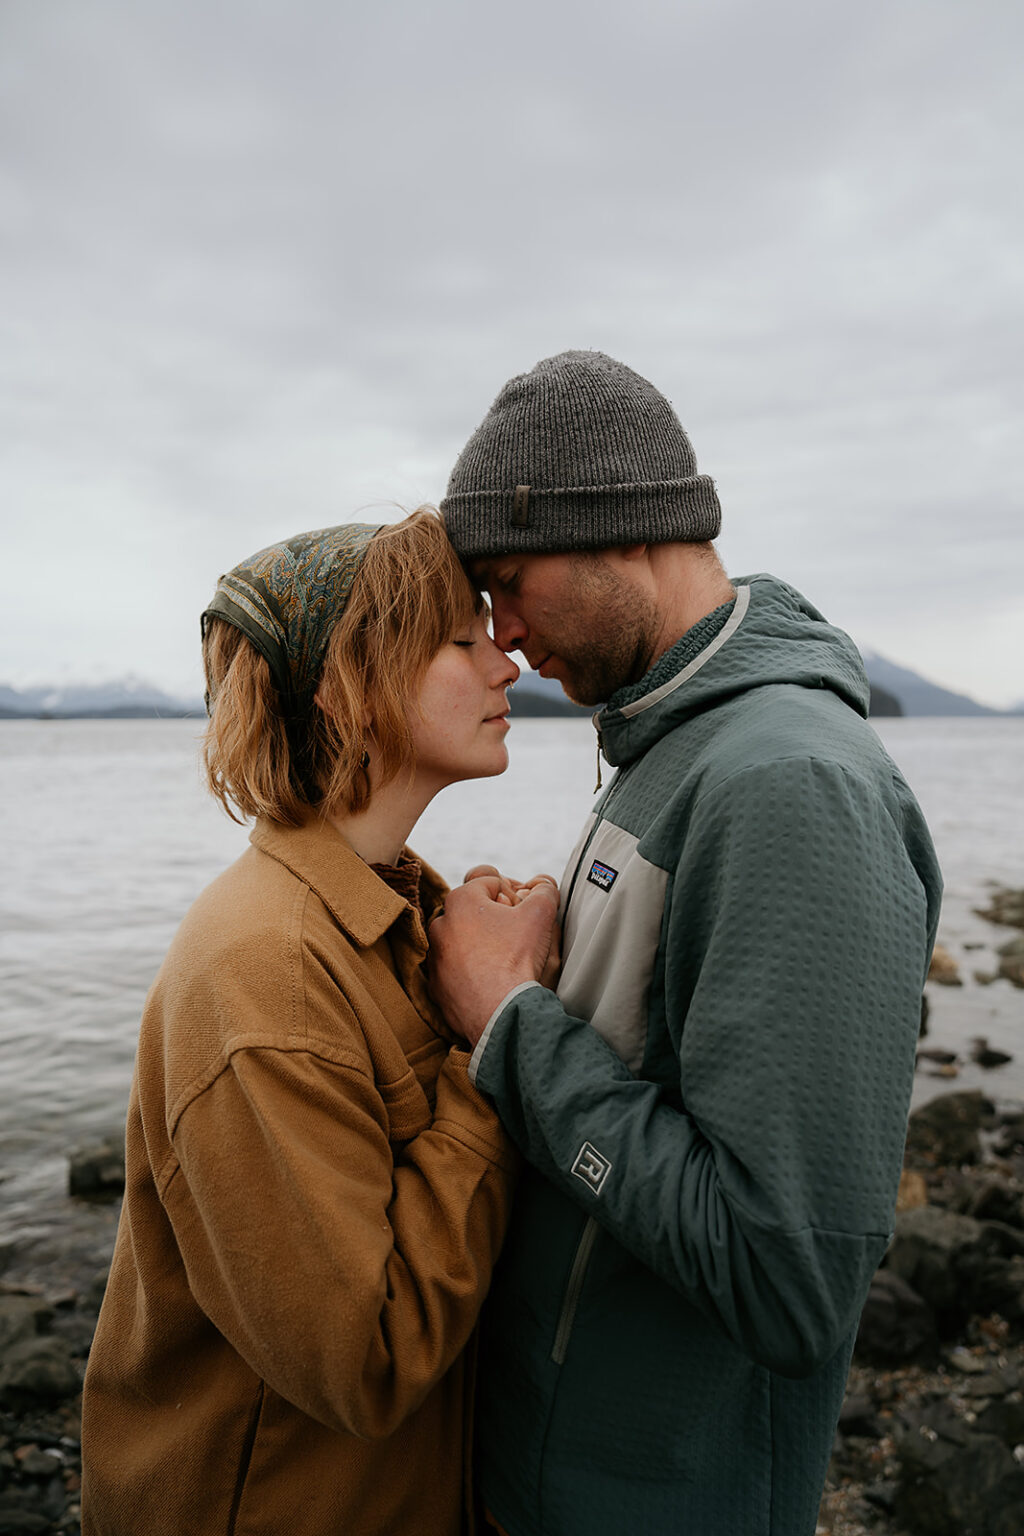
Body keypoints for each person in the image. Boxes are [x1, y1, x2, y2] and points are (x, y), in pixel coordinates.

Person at [429, 351, 943, 1536]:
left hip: (655, 1496)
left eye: (508, 582)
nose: (502, 638)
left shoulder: (790, 783)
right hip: (558, 1470)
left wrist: (514, 1028)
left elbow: (788, 1276)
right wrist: (549, 968)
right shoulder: (666, 746)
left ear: (622, 530)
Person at [81, 510, 547, 1536]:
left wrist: (476, 959)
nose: (505, 663)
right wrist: (496, 1038)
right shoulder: (267, 979)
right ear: (348, 690)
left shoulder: (388, 919)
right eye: (461, 643)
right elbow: (365, 1362)